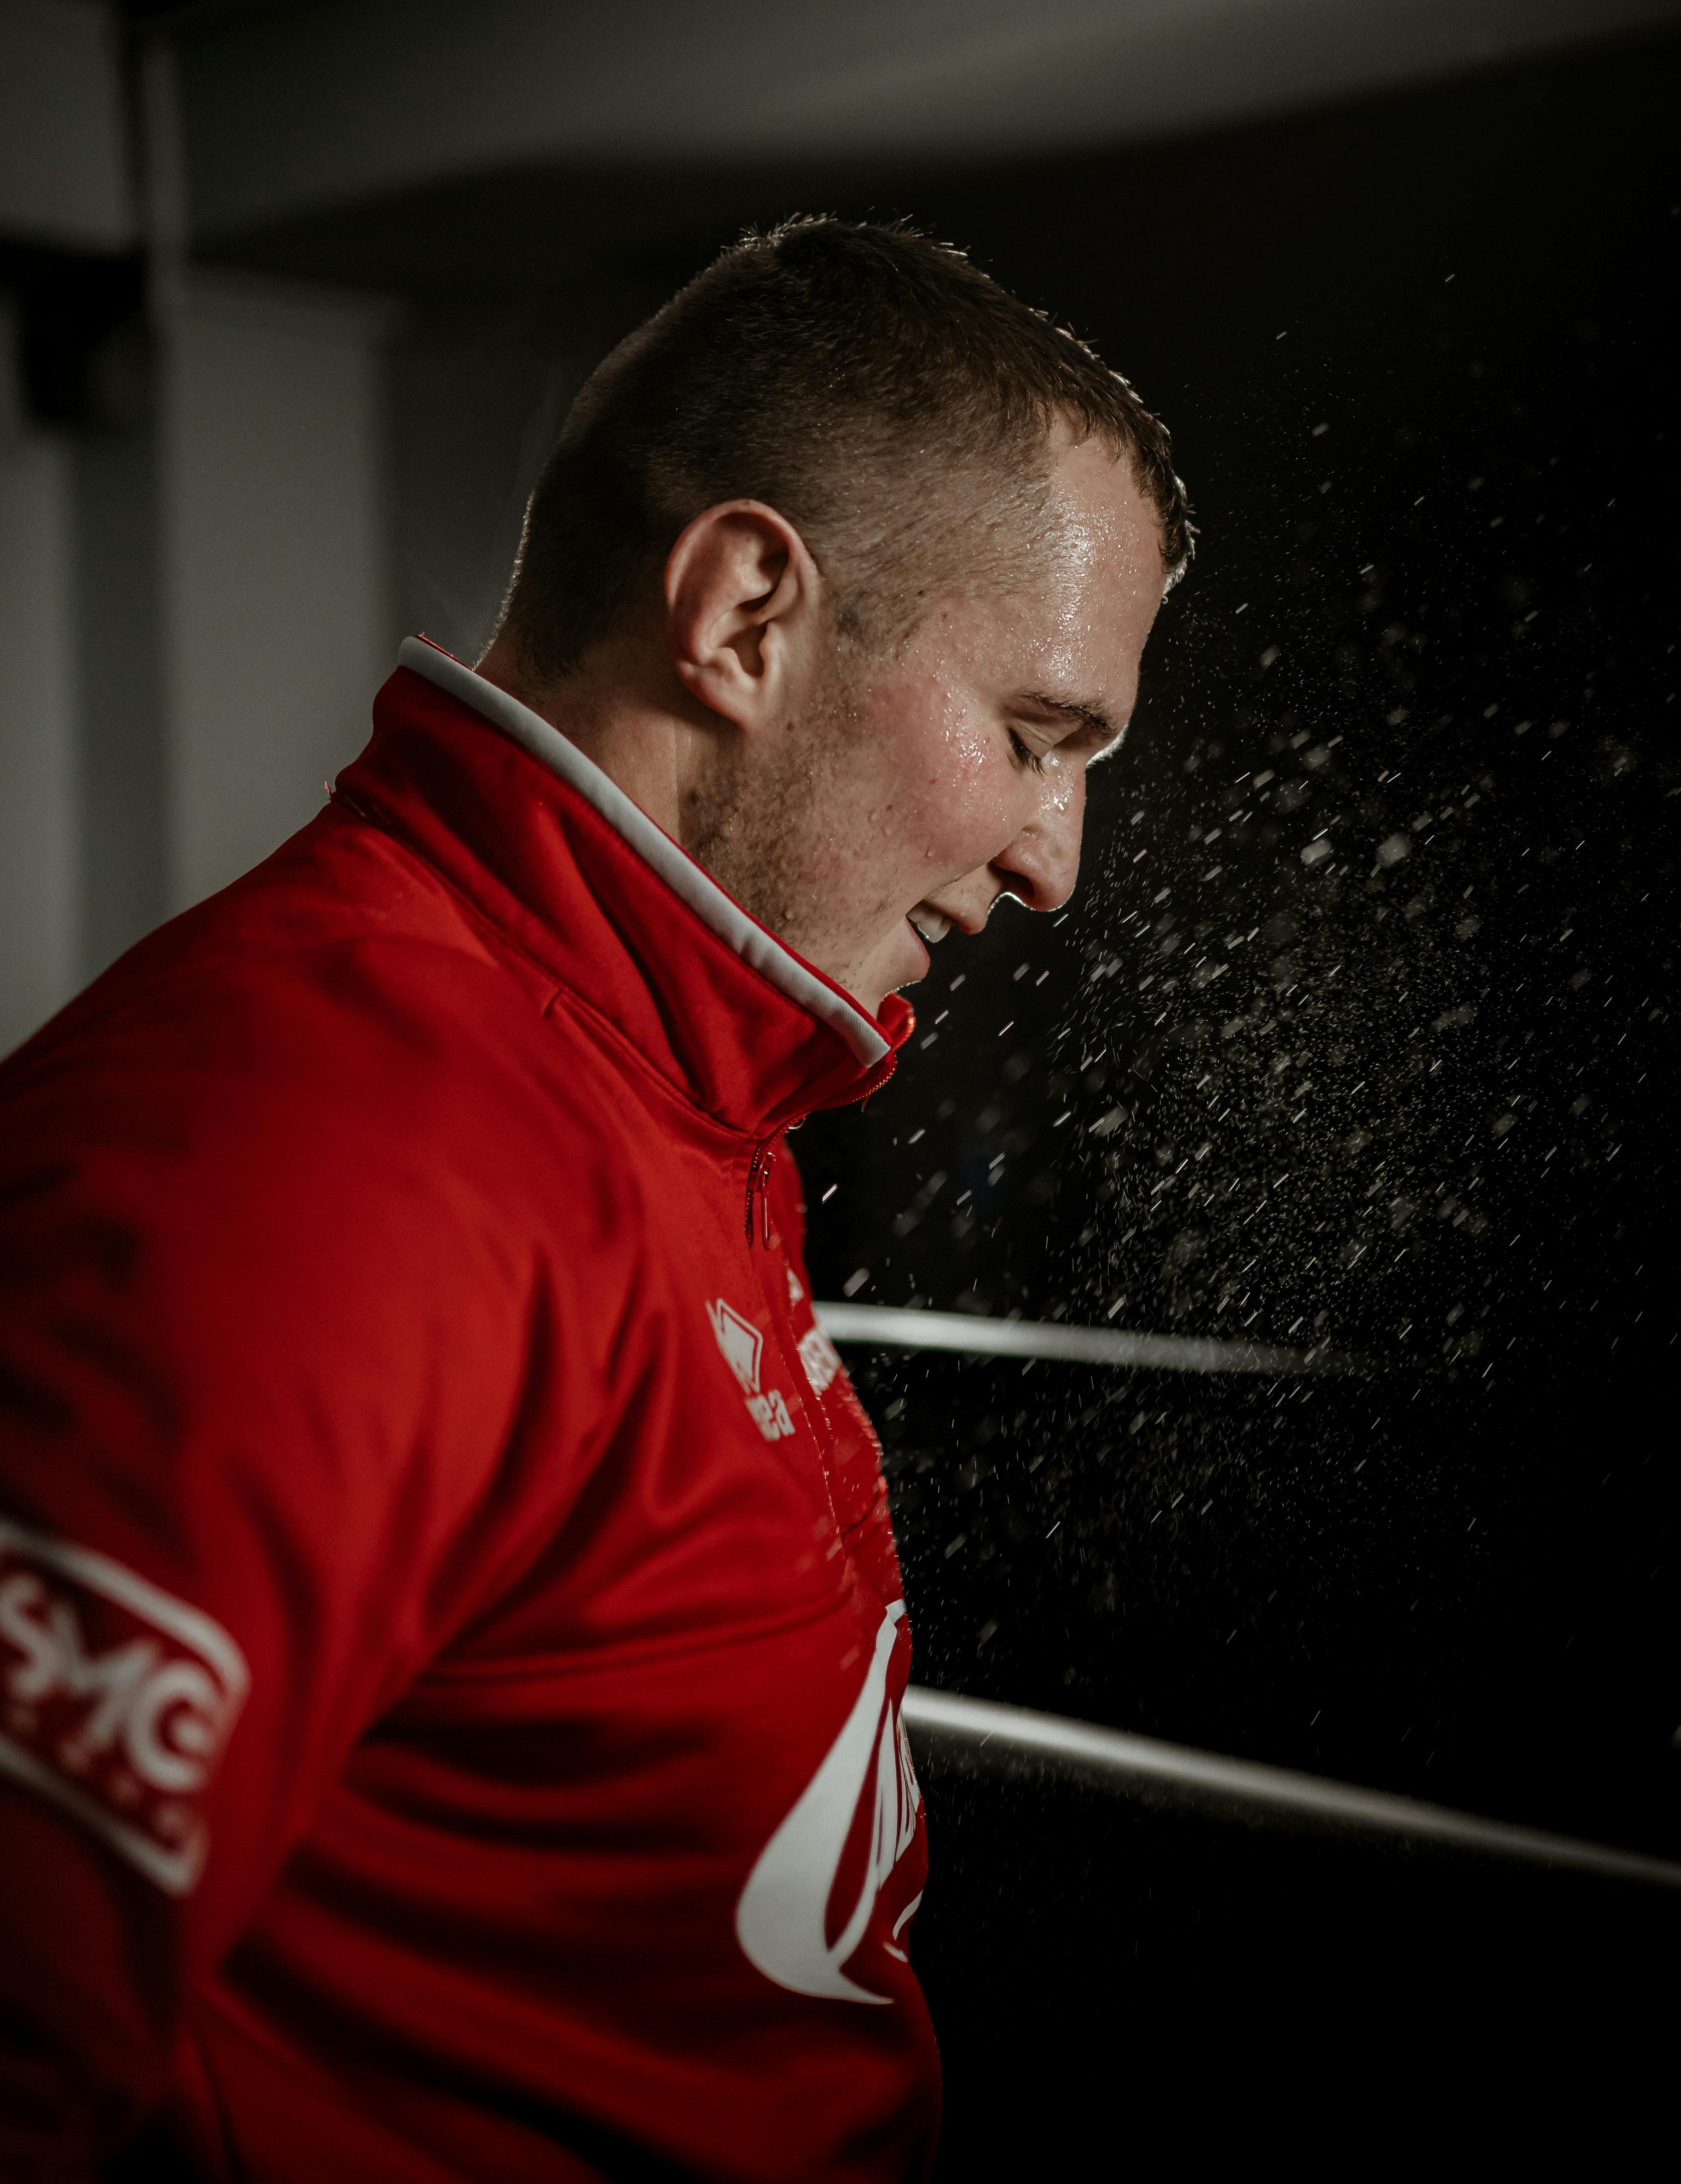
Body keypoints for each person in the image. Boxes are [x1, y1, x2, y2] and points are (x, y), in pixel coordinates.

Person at [0, 218, 1188, 2183]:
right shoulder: (334, 1144)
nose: (1052, 856)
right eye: (1033, 736)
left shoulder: (658, 1075)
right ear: (739, 616)